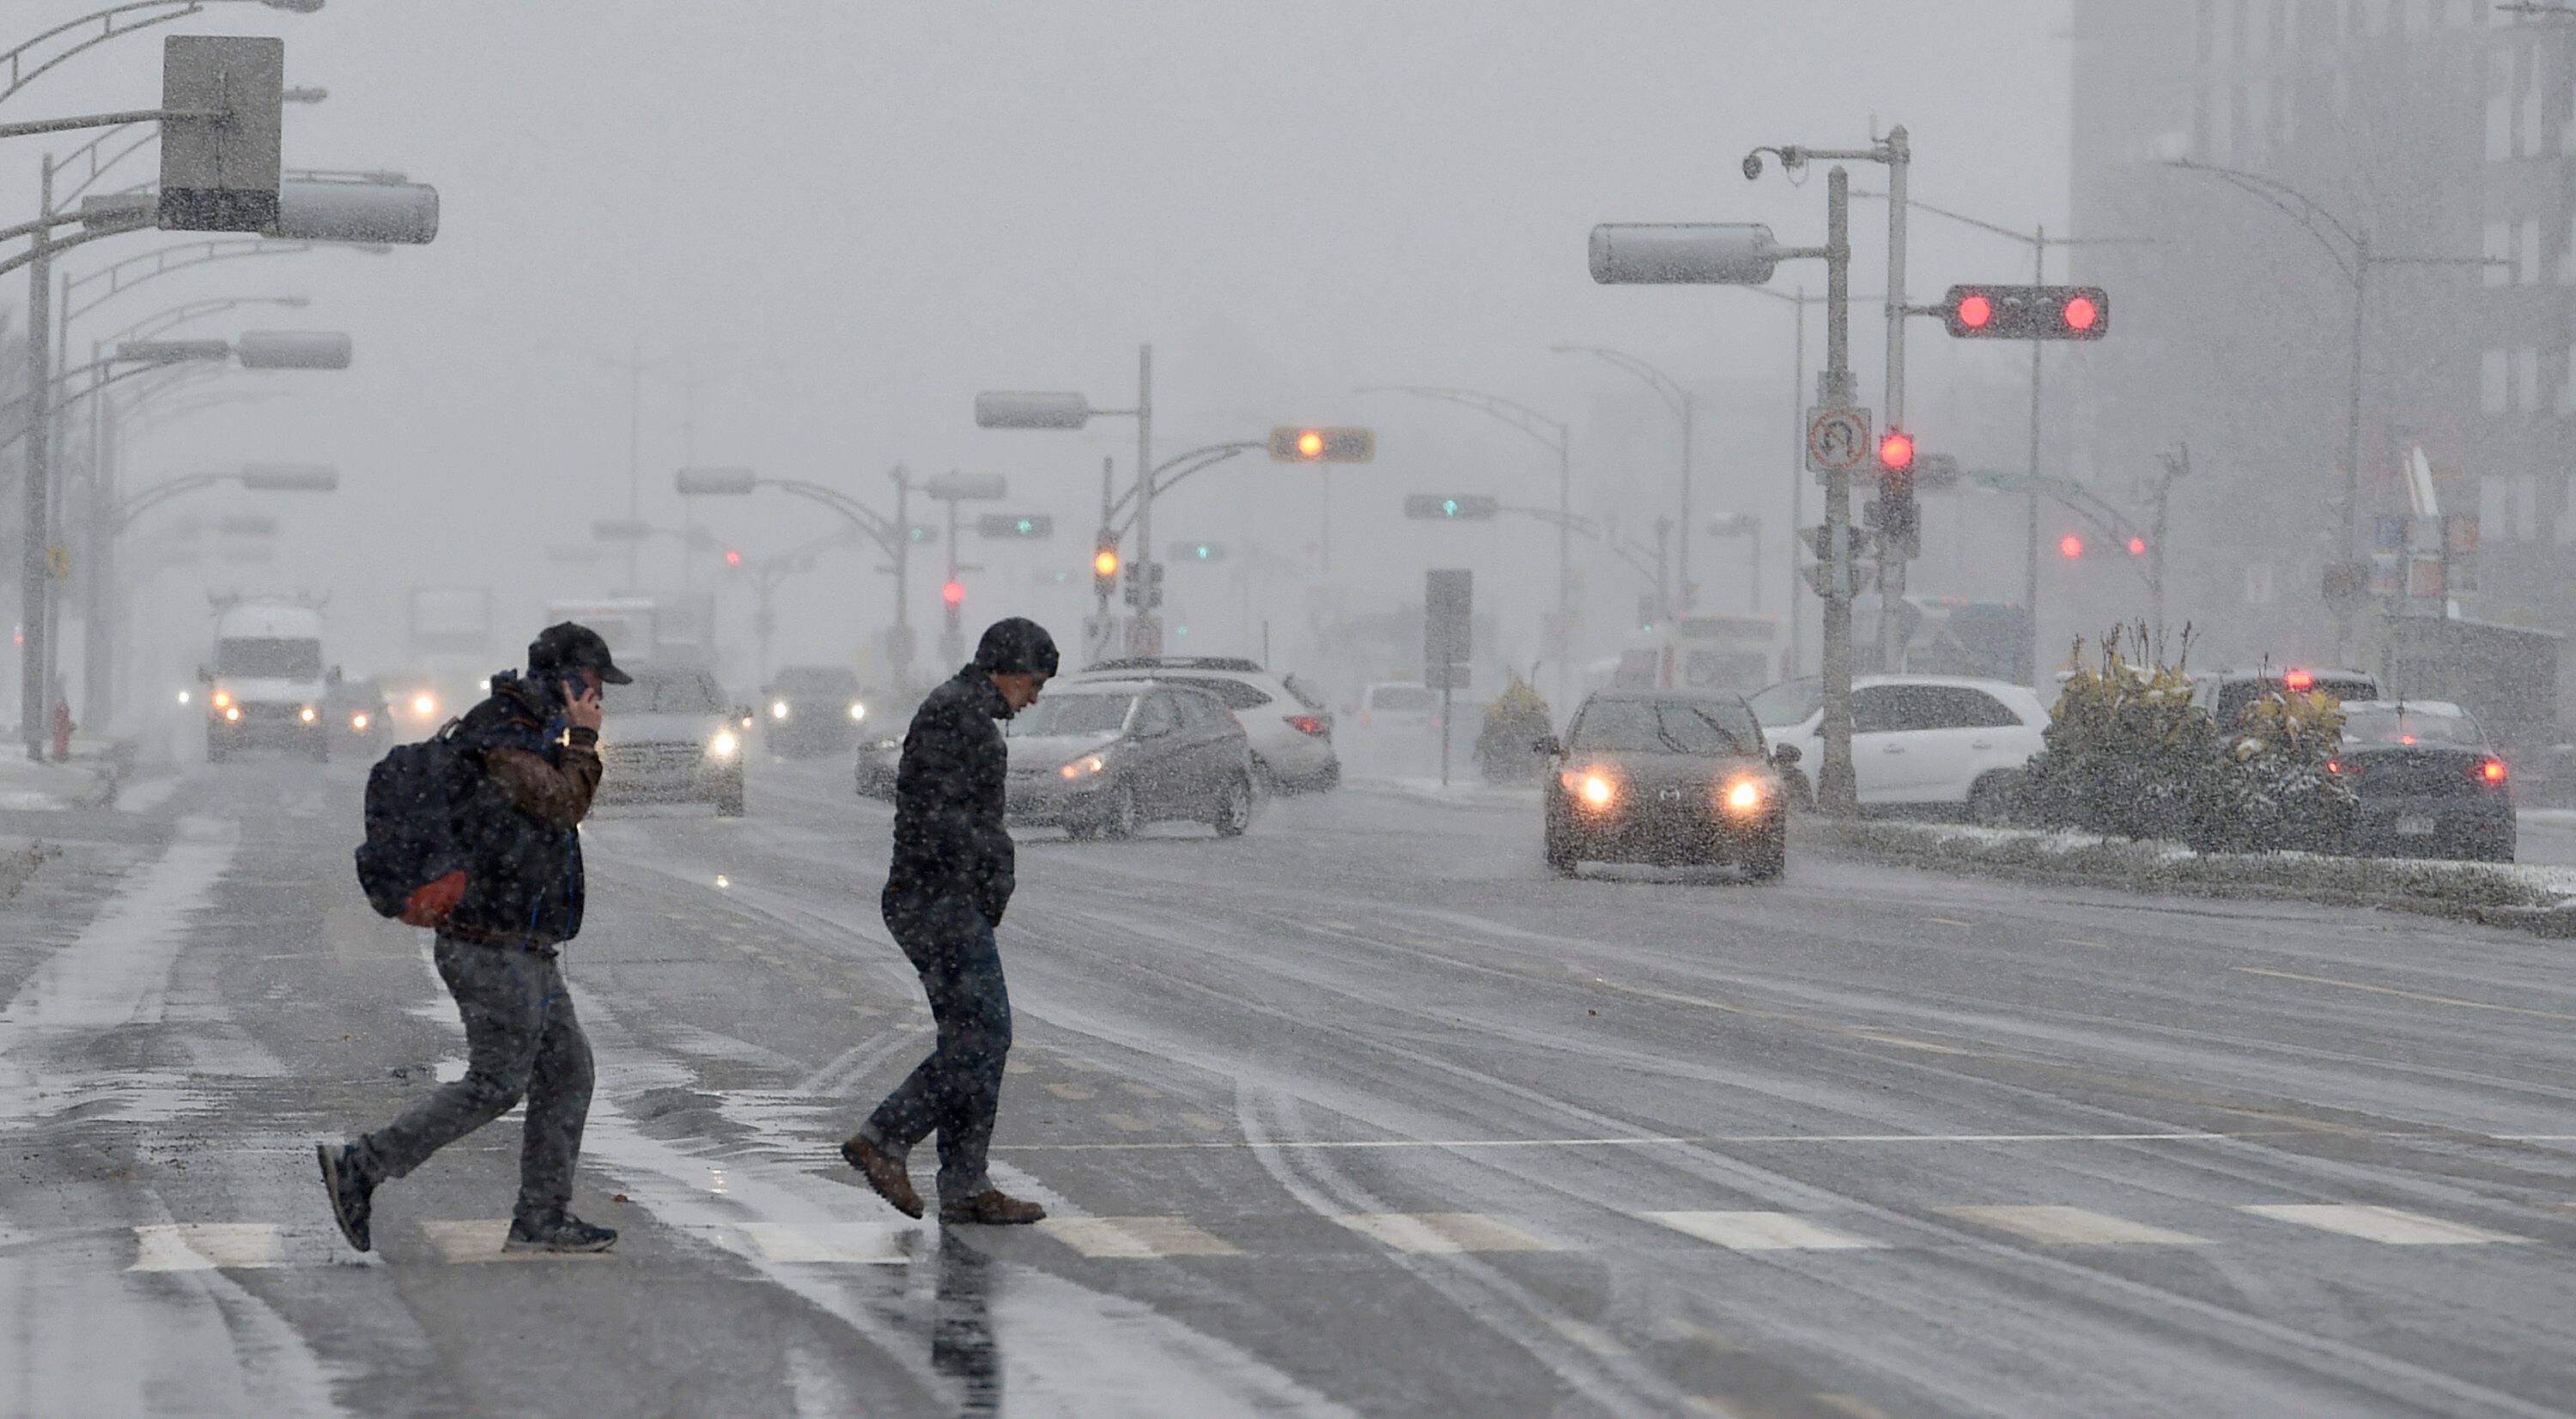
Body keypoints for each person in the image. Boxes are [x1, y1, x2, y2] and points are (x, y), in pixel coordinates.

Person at [317, 623, 628, 1254]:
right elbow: (564, 804)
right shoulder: (504, 738)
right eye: (593, 684)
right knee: (497, 1082)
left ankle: (541, 1218)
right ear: (564, 679)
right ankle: (363, 1165)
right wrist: (585, 741)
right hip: (488, 943)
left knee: (568, 1072)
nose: (598, 697)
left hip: (524, 943)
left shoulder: (533, 732)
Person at [843, 617, 1056, 1225]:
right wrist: (987, 872)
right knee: (984, 1037)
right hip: (938, 900)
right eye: (1035, 682)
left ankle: (965, 1182)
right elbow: (941, 818)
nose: (1036, 696)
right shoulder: (959, 718)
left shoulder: (964, 713)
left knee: (973, 1038)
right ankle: (886, 1137)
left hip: (941, 896)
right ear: (1007, 671)